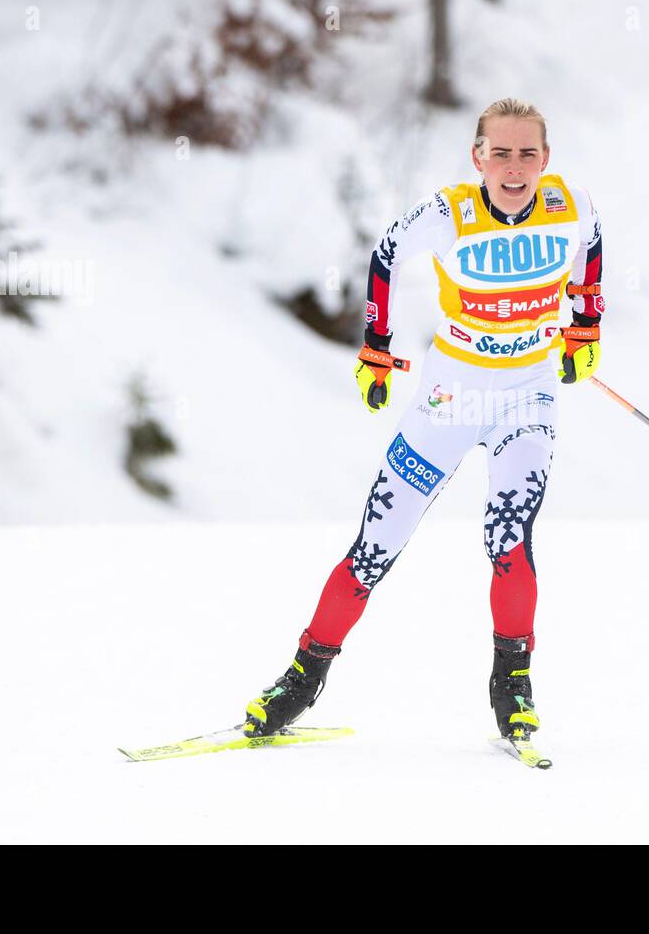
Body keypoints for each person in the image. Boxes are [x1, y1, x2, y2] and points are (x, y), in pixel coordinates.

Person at [243, 98, 604, 744]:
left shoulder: (572, 207)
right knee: (374, 547)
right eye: (501, 153)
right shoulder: (447, 214)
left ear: (545, 160)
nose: (514, 168)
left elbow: (592, 252)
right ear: (478, 157)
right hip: (451, 397)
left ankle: (512, 683)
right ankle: (302, 676)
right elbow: (385, 253)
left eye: (528, 154)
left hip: (528, 397)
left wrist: (584, 327)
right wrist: (376, 347)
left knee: (508, 538)